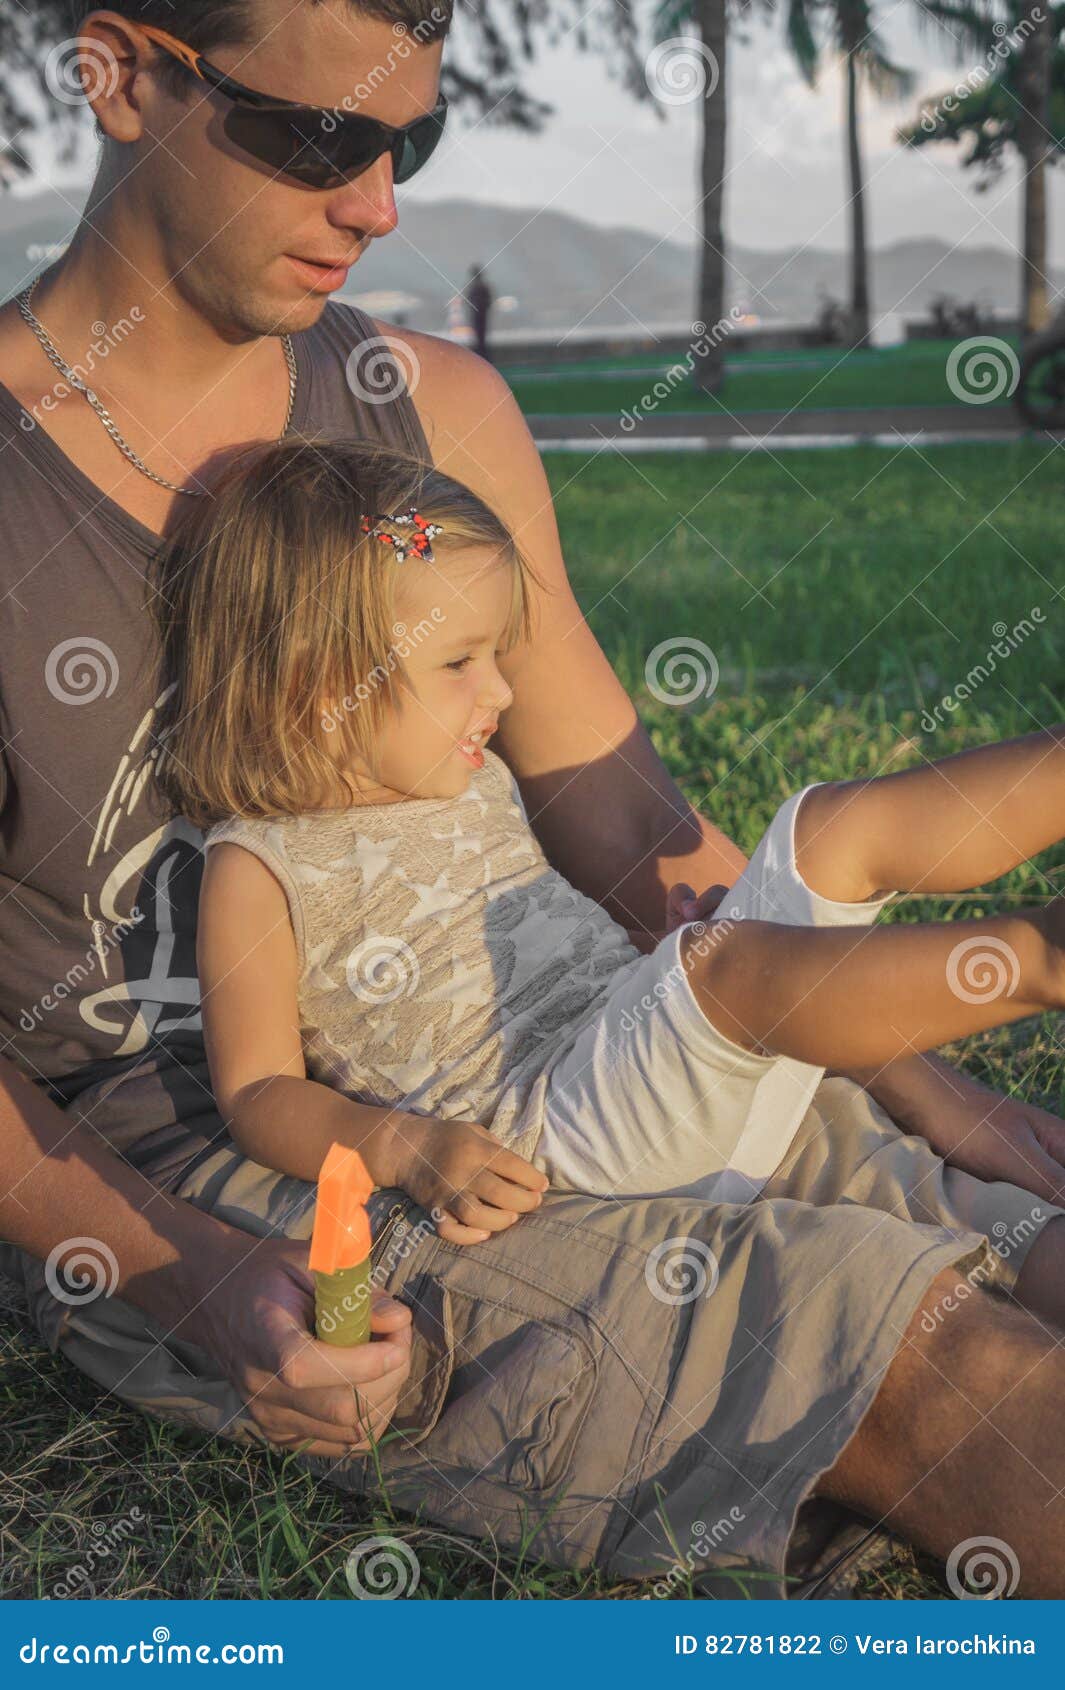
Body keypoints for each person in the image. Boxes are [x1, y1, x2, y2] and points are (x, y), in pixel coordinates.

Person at [1, 0, 1065, 1597]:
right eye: (318, 137)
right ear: (123, 72)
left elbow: (628, 825)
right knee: (949, 1368)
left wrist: (934, 1088)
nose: (378, 203)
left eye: (407, 142)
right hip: (210, 1152)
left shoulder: (434, 412)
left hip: (565, 1037)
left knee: (1006, 1227)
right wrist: (193, 1278)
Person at [152, 433, 1065, 1226]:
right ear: (319, 683)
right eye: (459, 663)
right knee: (727, 962)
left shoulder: (473, 783)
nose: (501, 695)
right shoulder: (260, 864)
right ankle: (1039, 956)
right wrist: (404, 1150)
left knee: (826, 828)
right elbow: (257, 1090)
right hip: (561, 1138)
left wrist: (644, 958)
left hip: (656, 1071)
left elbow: (541, 947)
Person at [466, 264, 493, 360]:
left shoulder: (478, 287)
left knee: (480, 337)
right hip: (479, 315)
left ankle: (482, 355)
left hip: (480, 315)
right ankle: (481, 355)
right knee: (479, 337)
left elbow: (488, 300)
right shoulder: (479, 287)